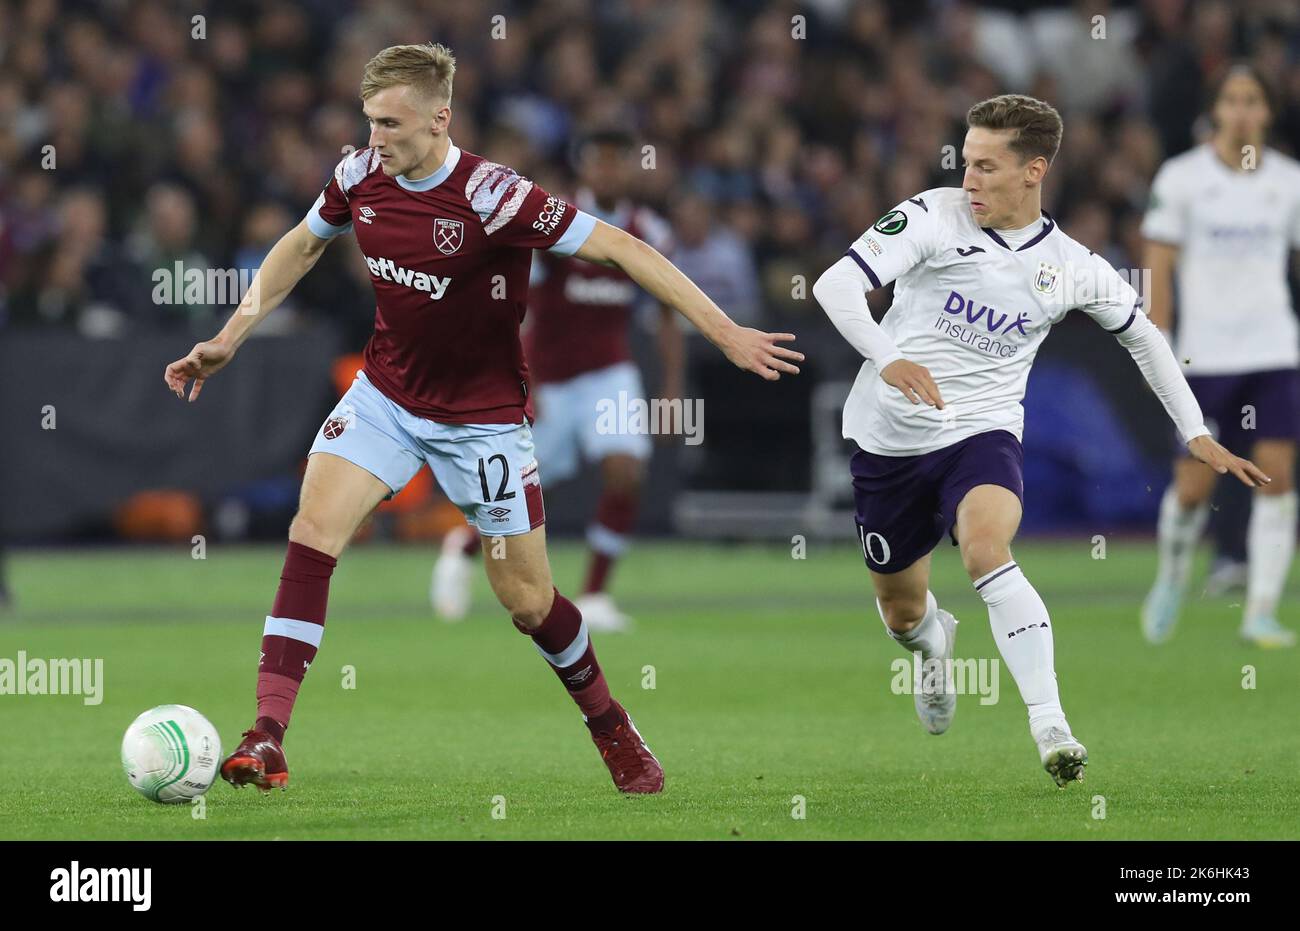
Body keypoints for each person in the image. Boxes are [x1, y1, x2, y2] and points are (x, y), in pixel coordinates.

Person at [163, 43, 802, 796]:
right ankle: (267, 734)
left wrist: (722, 329)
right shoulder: (359, 176)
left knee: (528, 603)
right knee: (313, 531)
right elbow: (301, 245)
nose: (375, 140)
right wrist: (231, 335)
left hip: (484, 423)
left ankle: (611, 725)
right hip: (387, 397)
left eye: (391, 124)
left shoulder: (495, 195)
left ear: (440, 119)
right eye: (369, 121)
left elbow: (623, 249)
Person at [812, 94, 1267, 787]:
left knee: (987, 548)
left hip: (984, 429)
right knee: (903, 613)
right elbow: (835, 285)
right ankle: (933, 649)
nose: (969, 180)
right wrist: (888, 356)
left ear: (1034, 171)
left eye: (987, 167)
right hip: (891, 439)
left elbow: (1143, 335)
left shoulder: (1072, 265)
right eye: (966, 162)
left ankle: (1051, 724)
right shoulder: (932, 216)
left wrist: (1195, 430)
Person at [432, 130, 683, 631]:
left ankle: (594, 594)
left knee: (626, 470)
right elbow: (522, 310)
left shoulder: (648, 229)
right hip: (550, 376)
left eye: (617, 163)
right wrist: (527, 379)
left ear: (630, 168)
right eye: (599, 162)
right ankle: (460, 548)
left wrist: (672, 387)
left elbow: (667, 312)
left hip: (609, 373)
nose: (608, 172)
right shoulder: (558, 224)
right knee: (518, 488)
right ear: (585, 168)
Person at [1140, 63, 1300, 648]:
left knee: (1278, 477)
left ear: (1267, 111)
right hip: (1203, 357)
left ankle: (1259, 610)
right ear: (1217, 109)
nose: (1242, 110)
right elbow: (1158, 262)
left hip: (1274, 350)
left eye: (1253, 100)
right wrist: (1157, 341)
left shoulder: (1288, 181)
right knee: (1191, 489)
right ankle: (1172, 577)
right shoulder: (1181, 178)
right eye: (1232, 99)